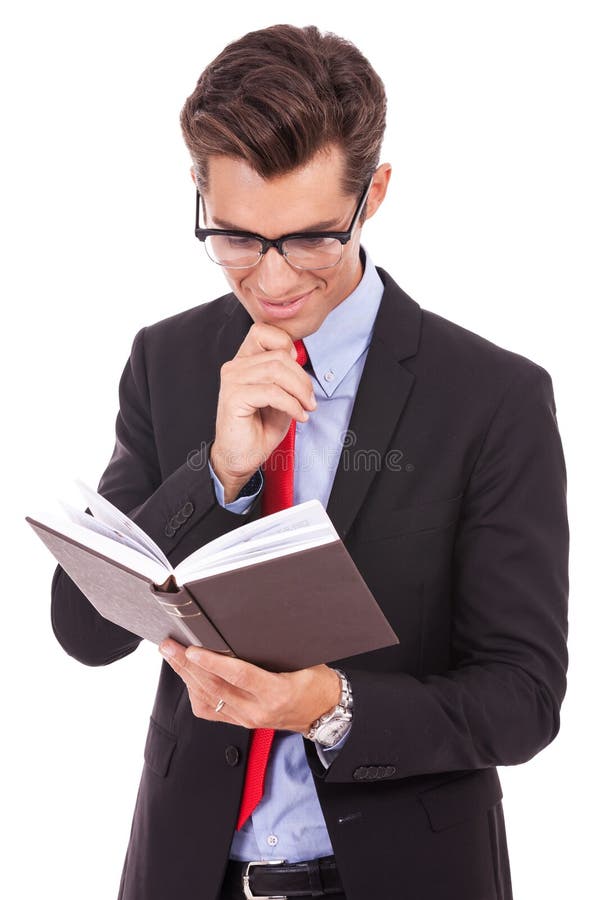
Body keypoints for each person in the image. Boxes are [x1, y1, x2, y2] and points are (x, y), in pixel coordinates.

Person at [50, 23, 569, 900]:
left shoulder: (492, 397)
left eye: (312, 238)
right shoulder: (167, 361)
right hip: (188, 875)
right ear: (200, 194)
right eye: (237, 238)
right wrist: (217, 474)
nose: (273, 279)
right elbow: (85, 630)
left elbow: (524, 700)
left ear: (374, 196)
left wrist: (329, 706)